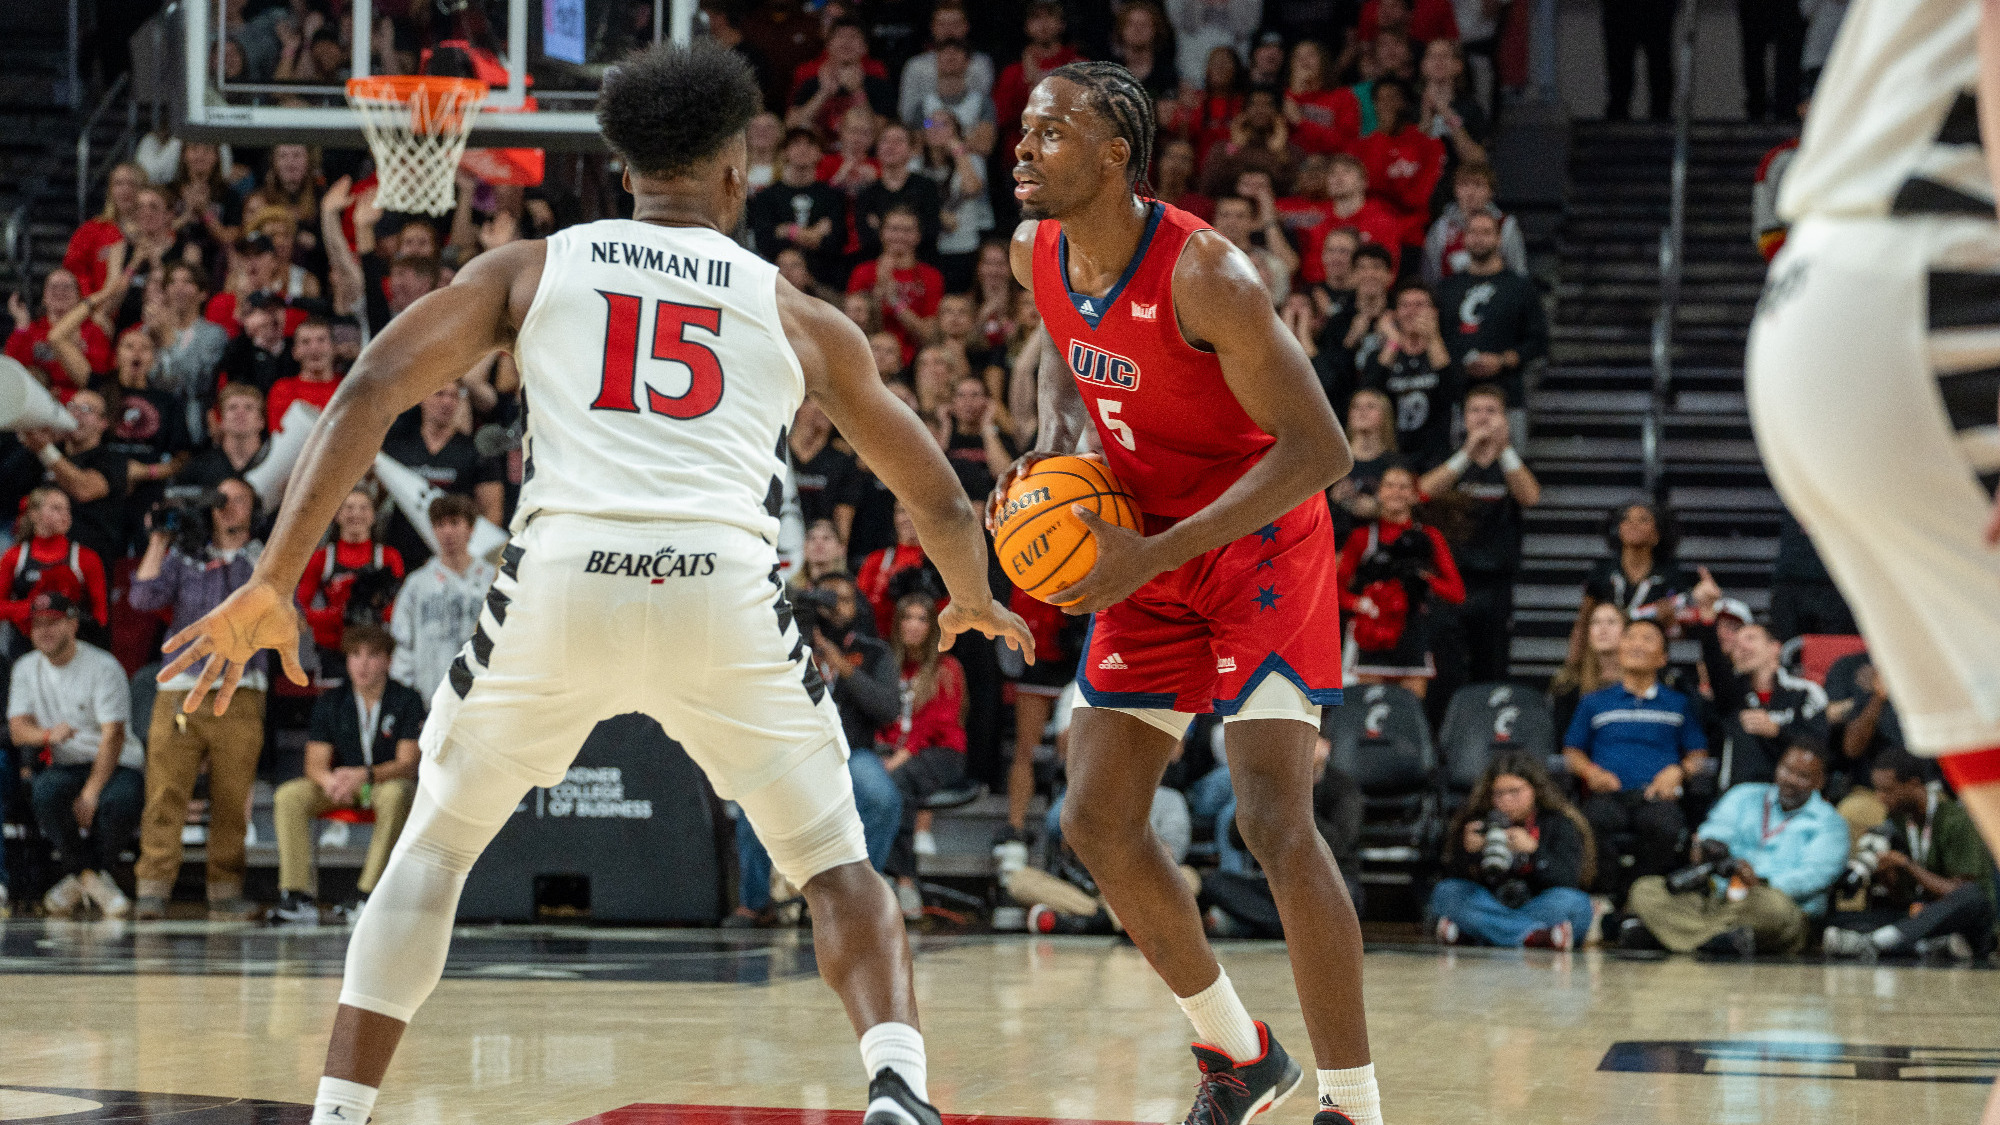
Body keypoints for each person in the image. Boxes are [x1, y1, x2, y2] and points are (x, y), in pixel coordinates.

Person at [152, 41, 1032, 1125]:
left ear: (625, 170)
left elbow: (371, 384)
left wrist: (275, 576)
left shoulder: (532, 268)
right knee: (834, 863)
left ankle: (338, 1112)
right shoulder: (799, 314)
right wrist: (971, 595)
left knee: (435, 848)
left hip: (563, 584)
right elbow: (937, 494)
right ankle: (896, 1086)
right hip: (722, 590)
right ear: (735, 171)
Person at [997, 59, 1384, 1125]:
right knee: (1095, 818)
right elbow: (1063, 348)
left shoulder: (1208, 273)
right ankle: (1237, 1051)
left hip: (1257, 542)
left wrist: (1155, 553)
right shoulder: (1036, 248)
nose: (1022, 148)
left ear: (1114, 155)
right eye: (1024, 130)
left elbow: (1323, 451)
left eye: (1050, 133)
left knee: (1271, 819)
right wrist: (1052, 447)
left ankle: (1354, 1104)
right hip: (1141, 537)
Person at [733, 571, 906, 924]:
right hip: (796, 754)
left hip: (852, 752)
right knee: (755, 799)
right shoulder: (786, 645)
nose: (836, 606)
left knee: (882, 798)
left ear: (857, 606)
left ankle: (857, 897)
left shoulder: (874, 651)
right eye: (828, 598)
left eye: (845, 599)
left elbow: (888, 709)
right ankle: (755, 903)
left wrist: (840, 664)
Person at [129, 476, 266, 921]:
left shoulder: (265, 560)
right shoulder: (186, 557)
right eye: (221, 498)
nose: (229, 506)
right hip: (180, 689)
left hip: (241, 689)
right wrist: (159, 538)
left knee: (232, 797)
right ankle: (152, 890)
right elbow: (142, 596)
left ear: (254, 509)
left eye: (240, 499)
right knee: (164, 790)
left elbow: (291, 615)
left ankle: (225, 892)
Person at [1622, 744, 1848, 955]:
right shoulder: (1744, 795)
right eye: (1786, 770)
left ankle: (1671, 935)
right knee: (1646, 889)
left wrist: (1759, 881)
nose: (1790, 780)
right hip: (1718, 899)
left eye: (1802, 776)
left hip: (1771, 905)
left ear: (1819, 781)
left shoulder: (1830, 823)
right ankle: (1719, 942)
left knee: (1773, 909)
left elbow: (1813, 877)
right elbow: (1713, 832)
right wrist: (1709, 849)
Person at [271, 623, 422, 925]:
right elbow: (314, 764)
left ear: (388, 661)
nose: (362, 664)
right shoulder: (331, 701)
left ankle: (368, 894)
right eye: (355, 655)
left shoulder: (407, 699)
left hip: (381, 783)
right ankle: (298, 895)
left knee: (397, 793)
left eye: (372, 655)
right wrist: (332, 781)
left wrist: (363, 776)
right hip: (344, 785)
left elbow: (407, 764)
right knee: (289, 795)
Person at [14, 592, 140, 920]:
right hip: (67, 763)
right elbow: (17, 729)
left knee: (121, 799)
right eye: (37, 625)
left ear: (72, 625)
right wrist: (46, 736)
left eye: (52, 623)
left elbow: (114, 736)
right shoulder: (26, 668)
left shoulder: (103, 666)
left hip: (117, 760)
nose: (44, 631)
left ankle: (81, 879)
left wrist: (91, 793)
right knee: (44, 793)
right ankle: (91, 879)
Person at [1565, 616, 1710, 899]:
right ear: (1619, 650)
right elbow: (1572, 751)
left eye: (1648, 639)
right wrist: (1591, 772)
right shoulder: (1593, 702)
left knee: (1667, 828)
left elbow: (1698, 754)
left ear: (1662, 658)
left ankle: (1636, 896)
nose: (1637, 645)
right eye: (1630, 637)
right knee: (1589, 824)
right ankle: (1608, 897)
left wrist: (1679, 772)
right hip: (1608, 794)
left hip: (1656, 796)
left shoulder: (1678, 703)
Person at [1823, 748, 1997, 960]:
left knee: (1972, 896)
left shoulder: (1955, 819)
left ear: (1913, 785)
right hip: (1922, 916)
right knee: (1840, 921)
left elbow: (1959, 892)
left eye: (1887, 790)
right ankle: (1926, 946)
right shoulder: (1898, 820)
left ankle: (1878, 942)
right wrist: (1886, 874)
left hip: (1968, 920)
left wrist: (1907, 865)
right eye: (1877, 790)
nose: (1880, 798)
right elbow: (1904, 898)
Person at [1418, 386, 1540, 684]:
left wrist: (1504, 449)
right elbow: (1423, 492)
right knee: (1446, 664)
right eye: (1475, 410)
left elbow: (1530, 497)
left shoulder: (1514, 463)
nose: (1483, 418)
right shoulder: (1448, 457)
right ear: (1464, 418)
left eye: (1491, 411)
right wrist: (1466, 454)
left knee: (1492, 663)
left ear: (1505, 418)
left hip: (1496, 578)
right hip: (1451, 576)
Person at [1429, 751, 1596, 949]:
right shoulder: (1478, 821)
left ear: (1535, 790)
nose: (1506, 800)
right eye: (1499, 794)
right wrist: (1469, 853)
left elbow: (1569, 880)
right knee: (1446, 892)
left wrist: (1534, 851)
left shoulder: (1558, 822)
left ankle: (1480, 934)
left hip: (1536, 904)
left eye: (1515, 792)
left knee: (1577, 904)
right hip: (1491, 901)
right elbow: (1454, 876)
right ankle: (1533, 937)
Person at [1338, 464, 1464, 696]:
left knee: (1409, 709)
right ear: (1379, 493)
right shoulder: (1362, 537)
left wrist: (1424, 579)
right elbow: (1335, 591)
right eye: (1389, 486)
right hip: (1371, 634)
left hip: (1412, 634)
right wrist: (1361, 604)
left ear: (1415, 496)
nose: (1396, 492)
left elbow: (1457, 592)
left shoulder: (1430, 537)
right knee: (1367, 705)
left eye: (1403, 487)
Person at [877, 594, 968, 906]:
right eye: (907, 618)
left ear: (932, 627)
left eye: (921, 619)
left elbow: (936, 723)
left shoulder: (947, 667)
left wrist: (902, 755)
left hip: (942, 753)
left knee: (897, 783)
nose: (913, 626)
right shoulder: (888, 666)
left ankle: (904, 880)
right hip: (895, 752)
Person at [378, 384, 505, 568]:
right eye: (439, 394)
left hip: (455, 561)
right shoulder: (398, 447)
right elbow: (378, 497)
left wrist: (475, 556)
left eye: (454, 396)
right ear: (422, 398)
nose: (447, 402)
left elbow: (492, 510)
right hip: (402, 556)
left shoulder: (474, 452)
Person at [1432, 211, 1547, 410]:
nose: (1479, 238)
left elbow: (1538, 341)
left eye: (1486, 232)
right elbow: (1436, 337)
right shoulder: (1445, 289)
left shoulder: (1520, 287)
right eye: (1473, 232)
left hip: (1507, 397)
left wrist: (1502, 360)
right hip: (1454, 397)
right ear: (1464, 238)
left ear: (1499, 239)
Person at [7, 388, 131, 568]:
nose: (76, 414)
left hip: (86, 563)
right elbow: (8, 484)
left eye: (87, 409)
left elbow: (84, 490)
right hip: (38, 559)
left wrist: (45, 449)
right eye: (72, 407)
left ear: (103, 423)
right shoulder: (51, 451)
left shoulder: (112, 460)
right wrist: (33, 439)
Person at [388, 495, 494, 705]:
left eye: (454, 523)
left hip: (483, 698)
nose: (447, 531)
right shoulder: (417, 584)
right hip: (430, 698)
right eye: (440, 525)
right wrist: (407, 701)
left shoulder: (494, 580)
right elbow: (402, 645)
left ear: (471, 528)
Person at [297, 488, 406, 684]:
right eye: (349, 508)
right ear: (337, 515)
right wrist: (336, 615)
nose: (356, 514)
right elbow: (299, 609)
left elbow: (400, 609)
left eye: (363, 508)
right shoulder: (322, 558)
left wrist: (374, 610)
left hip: (375, 652)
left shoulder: (389, 557)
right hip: (334, 652)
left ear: (373, 516)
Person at [1360, 284, 1462, 472]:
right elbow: (1368, 395)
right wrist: (1393, 341)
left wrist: (1433, 338)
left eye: (1419, 305)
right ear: (1395, 314)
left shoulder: (1448, 352)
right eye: (1405, 305)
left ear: (1434, 312)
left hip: (1436, 456)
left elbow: (1454, 392)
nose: (1411, 312)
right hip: (1391, 456)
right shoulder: (1380, 356)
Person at [0, 488, 110, 649]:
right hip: (26, 645)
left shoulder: (86, 558)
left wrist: (67, 614)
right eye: (56, 508)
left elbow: (101, 616)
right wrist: (33, 607)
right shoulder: (14, 556)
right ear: (34, 514)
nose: (65, 515)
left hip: (73, 646)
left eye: (67, 509)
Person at [748, 129, 850, 289]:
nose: (803, 149)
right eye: (796, 144)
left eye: (810, 144)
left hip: (823, 279)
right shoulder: (767, 197)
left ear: (819, 154)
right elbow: (765, 242)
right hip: (776, 280)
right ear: (784, 152)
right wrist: (815, 233)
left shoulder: (832, 196)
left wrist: (787, 231)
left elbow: (836, 242)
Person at [847, 207, 945, 365]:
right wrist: (878, 294)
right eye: (893, 229)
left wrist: (894, 301)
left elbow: (929, 334)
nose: (900, 236)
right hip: (867, 357)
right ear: (882, 233)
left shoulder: (931, 276)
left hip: (914, 361)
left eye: (907, 230)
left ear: (918, 236)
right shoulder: (863, 272)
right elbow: (850, 326)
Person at [6, 269, 112, 398]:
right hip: (38, 400)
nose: (60, 291)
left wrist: (62, 395)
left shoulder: (94, 331)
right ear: (44, 297)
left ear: (79, 296)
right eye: (54, 286)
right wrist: (22, 324)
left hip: (79, 400)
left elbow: (98, 379)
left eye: (67, 287)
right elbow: (12, 370)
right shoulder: (33, 330)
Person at [1422, 162, 1529, 289]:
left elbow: (1518, 271)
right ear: (1455, 190)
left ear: (1490, 192)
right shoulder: (1442, 227)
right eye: (1464, 185)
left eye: (1478, 185)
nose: (1470, 192)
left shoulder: (1505, 225)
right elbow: (1431, 277)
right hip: (1452, 295)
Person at [1548, 601, 1627, 739]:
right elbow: (1563, 739)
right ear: (1588, 632)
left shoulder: (1641, 681)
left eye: (1611, 622)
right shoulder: (1569, 686)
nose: (1603, 629)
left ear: (1626, 631)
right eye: (1596, 622)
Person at [177, 384, 271, 489]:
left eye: (249, 407)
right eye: (232, 407)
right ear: (221, 421)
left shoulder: (275, 464)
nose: (240, 413)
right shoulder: (198, 468)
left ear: (261, 421)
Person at [265, 318, 344, 429]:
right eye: (305, 342)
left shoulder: (348, 389)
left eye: (321, 340)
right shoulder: (282, 390)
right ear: (295, 352)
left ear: (334, 348)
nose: (314, 348)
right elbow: (280, 434)